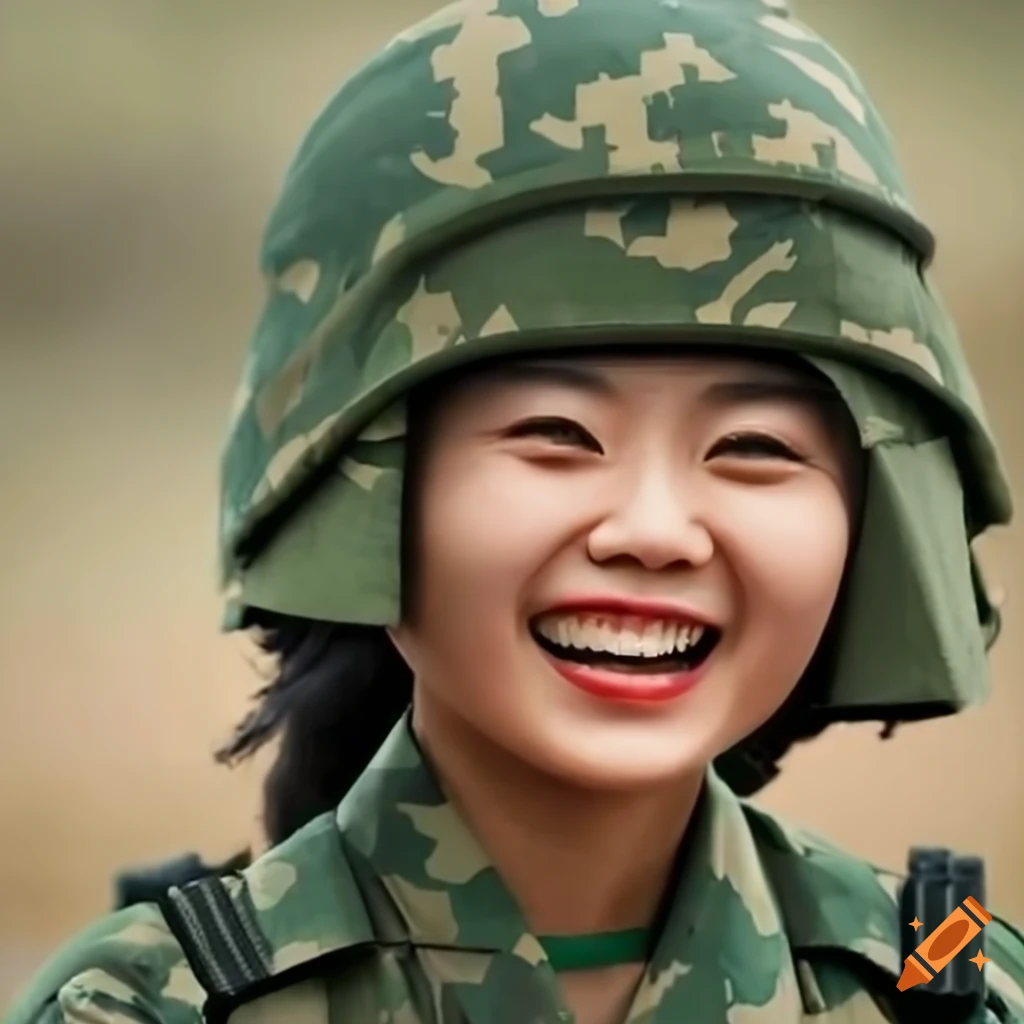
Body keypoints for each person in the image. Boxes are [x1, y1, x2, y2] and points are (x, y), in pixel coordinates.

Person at [6, 0, 1024, 1021]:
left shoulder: (945, 995)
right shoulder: (151, 1008)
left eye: (754, 448)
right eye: (557, 436)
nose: (656, 530)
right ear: (368, 489)